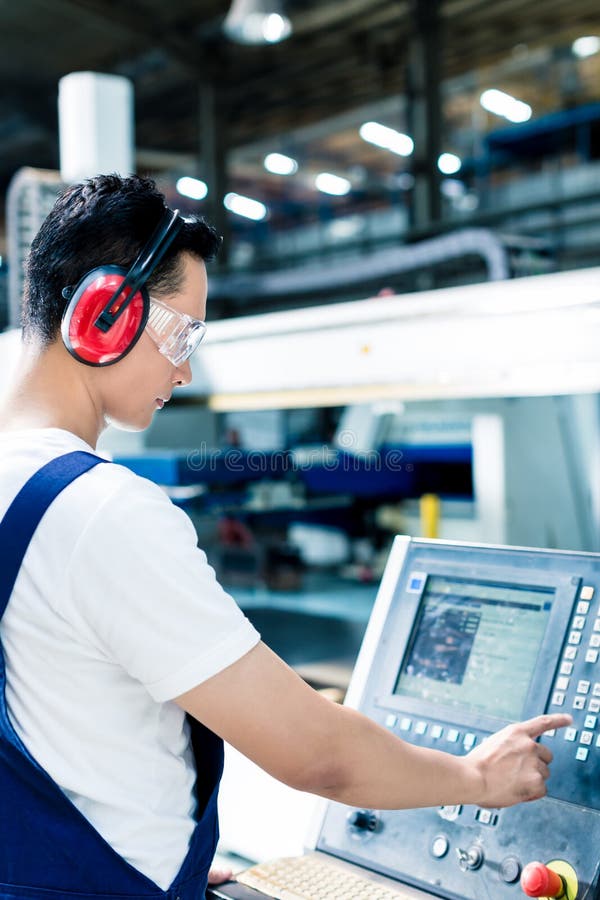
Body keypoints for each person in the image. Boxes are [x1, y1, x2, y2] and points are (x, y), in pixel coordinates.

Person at [0, 174, 570, 900]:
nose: (185, 366)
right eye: (181, 332)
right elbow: (317, 755)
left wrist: (151, 849)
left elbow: (46, 714)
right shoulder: (102, 511)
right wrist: (476, 777)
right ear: (101, 317)